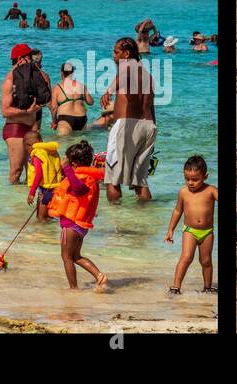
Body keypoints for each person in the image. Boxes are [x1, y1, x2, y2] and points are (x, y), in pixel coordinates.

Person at [100, 37, 156, 203]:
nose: (113, 56)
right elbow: (151, 107)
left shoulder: (127, 67)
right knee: (140, 182)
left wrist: (108, 91)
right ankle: (144, 219)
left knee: (112, 179)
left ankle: (117, 223)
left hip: (127, 126)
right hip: (149, 126)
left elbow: (124, 74)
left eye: (116, 52)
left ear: (127, 53)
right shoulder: (147, 75)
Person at [47, 139, 107, 291]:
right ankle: (99, 276)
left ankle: (73, 288)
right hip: (79, 225)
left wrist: (66, 169)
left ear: (73, 163)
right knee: (75, 257)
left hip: (72, 225)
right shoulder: (88, 176)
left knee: (66, 257)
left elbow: (79, 189)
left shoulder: (81, 178)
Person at [165, 155, 217, 294]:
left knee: (206, 261)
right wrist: (170, 229)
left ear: (205, 176)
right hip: (190, 231)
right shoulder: (183, 192)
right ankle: (176, 286)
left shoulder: (211, 190)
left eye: (195, 179)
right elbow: (177, 211)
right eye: (187, 179)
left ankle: (207, 287)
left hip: (207, 232)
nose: (190, 183)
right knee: (186, 257)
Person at [0, 43, 45, 184]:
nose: (32, 60)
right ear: (21, 59)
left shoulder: (29, 77)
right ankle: (13, 204)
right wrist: (27, 111)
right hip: (15, 129)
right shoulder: (9, 80)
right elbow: (5, 111)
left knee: (34, 172)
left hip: (30, 129)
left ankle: (23, 203)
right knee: (16, 171)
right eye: (29, 57)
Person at [23, 130, 61, 222]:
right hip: (53, 187)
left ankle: (41, 235)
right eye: (28, 146)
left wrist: (32, 192)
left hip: (47, 189)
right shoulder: (50, 151)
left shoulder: (37, 155)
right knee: (47, 216)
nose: (30, 149)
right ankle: (49, 234)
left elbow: (39, 175)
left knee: (41, 218)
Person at [50, 62, 93, 135]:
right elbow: (91, 102)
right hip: (82, 118)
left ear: (61, 73)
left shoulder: (57, 88)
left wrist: (54, 122)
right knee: (81, 144)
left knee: (64, 143)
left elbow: (54, 108)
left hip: (65, 119)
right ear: (72, 73)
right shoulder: (81, 86)